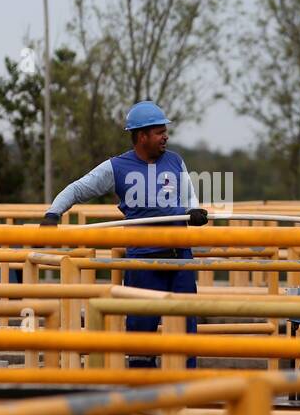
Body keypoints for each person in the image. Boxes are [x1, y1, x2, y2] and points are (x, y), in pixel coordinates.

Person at [41, 101, 208, 367]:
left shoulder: (176, 161)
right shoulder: (116, 167)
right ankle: (139, 399)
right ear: (141, 136)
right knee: (141, 338)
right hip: (143, 262)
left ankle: (184, 396)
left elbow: (190, 198)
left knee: (186, 336)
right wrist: (53, 213)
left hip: (180, 260)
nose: (165, 136)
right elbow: (76, 189)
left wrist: (195, 212)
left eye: (165, 131)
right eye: (159, 132)